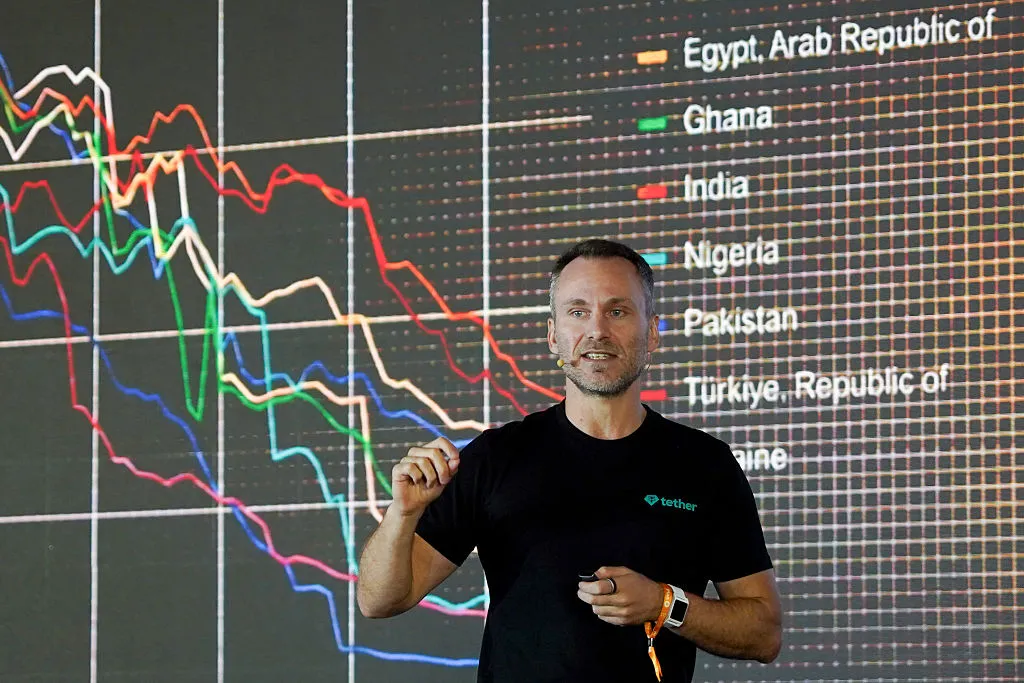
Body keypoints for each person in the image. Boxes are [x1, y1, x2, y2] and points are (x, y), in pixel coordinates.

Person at [357, 238, 782, 682]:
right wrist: (402, 515)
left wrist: (664, 604)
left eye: (618, 311)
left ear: (653, 332)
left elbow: (764, 633)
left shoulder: (704, 465)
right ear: (553, 335)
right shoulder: (496, 458)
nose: (597, 330)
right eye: (578, 312)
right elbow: (378, 600)